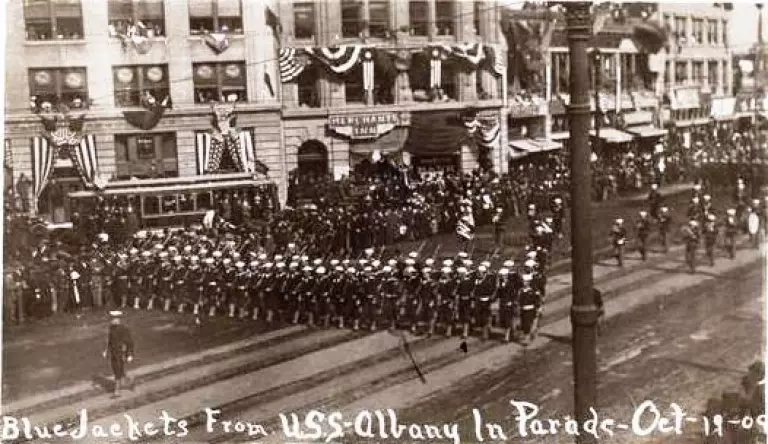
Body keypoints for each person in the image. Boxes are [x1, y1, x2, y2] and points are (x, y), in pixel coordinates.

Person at [102, 311, 135, 397]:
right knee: (117, 369)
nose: (111, 320)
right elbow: (110, 341)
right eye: (111, 319)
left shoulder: (124, 329)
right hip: (113, 353)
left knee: (117, 370)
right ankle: (129, 381)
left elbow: (129, 342)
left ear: (118, 319)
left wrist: (130, 354)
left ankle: (117, 391)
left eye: (113, 319)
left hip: (121, 353)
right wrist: (106, 351)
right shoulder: (111, 328)